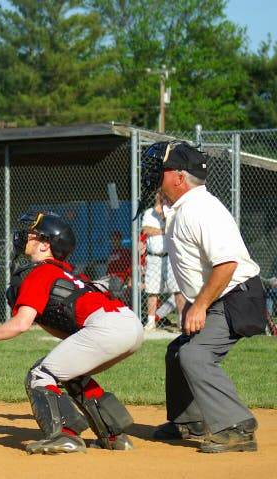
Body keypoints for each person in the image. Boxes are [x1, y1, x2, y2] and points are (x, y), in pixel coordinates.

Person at [0, 212, 143, 454]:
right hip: (129, 323)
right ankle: (115, 437)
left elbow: (20, 324)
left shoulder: (40, 272)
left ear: (45, 245)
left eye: (33, 234)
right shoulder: (69, 273)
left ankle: (64, 435)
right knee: (71, 373)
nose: (26, 236)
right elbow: (69, 331)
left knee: (40, 374)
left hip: (107, 327)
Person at [142, 140, 265, 453]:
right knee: (178, 350)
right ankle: (190, 421)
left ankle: (237, 426)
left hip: (237, 296)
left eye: (162, 169)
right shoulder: (183, 208)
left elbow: (227, 264)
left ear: (180, 178)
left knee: (195, 355)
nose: (155, 173)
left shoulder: (201, 209)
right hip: (222, 295)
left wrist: (199, 306)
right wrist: (196, 304)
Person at [140, 191, 185, 330]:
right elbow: (146, 229)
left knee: (177, 289)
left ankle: (182, 320)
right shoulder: (148, 213)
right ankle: (151, 321)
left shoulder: (172, 211)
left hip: (170, 256)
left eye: (163, 196)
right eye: (159, 195)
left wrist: (162, 214)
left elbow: (173, 228)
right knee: (152, 290)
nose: (160, 198)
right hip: (154, 256)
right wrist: (163, 231)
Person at [104, 230, 132, 302]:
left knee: (114, 285)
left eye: (115, 239)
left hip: (120, 277)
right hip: (109, 277)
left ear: (120, 240)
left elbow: (127, 269)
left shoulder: (125, 251)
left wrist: (126, 278)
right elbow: (108, 269)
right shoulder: (111, 253)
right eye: (112, 239)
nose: (113, 241)